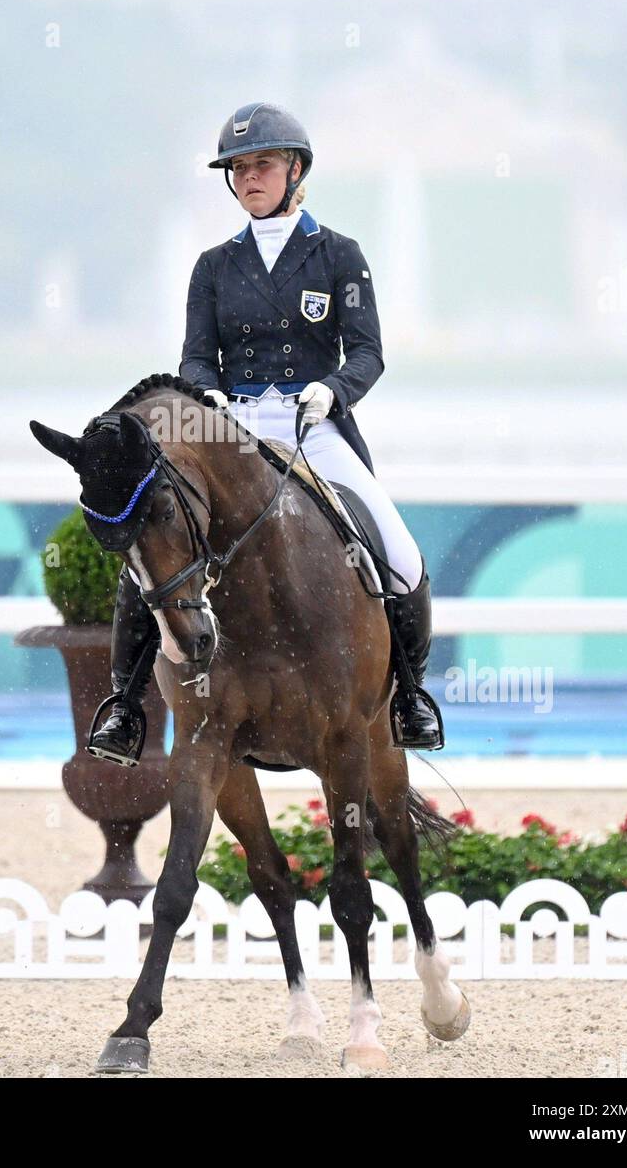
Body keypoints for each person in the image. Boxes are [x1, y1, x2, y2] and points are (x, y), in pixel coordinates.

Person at [87, 102, 444, 766]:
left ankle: (411, 697)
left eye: (263, 165)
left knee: (399, 552)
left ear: (294, 170)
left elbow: (368, 353)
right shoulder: (213, 267)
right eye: (240, 169)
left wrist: (332, 389)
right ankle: (125, 707)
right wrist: (209, 393)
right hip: (235, 430)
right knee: (149, 563)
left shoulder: (339, 255)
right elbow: (196, 356)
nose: (250, 178)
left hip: (314, 424)